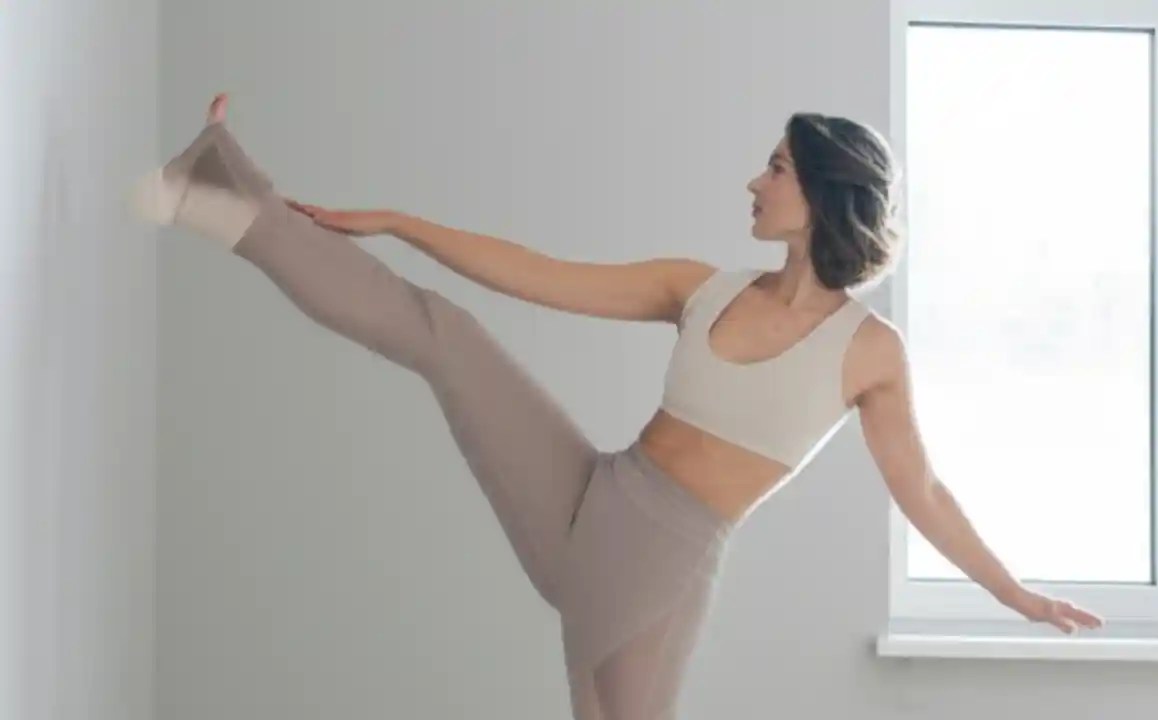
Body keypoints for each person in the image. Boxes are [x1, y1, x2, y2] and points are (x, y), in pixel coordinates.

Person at [129, 92, 1103, 719]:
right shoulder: (702, 286)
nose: (753, 181)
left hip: (660, 558)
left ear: (822, 188)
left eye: (774, 166)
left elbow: (921, 490)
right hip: (589, 494)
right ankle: (219, 193)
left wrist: (1008, 592)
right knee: (444, 335)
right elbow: (538, 276)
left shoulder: (869, 354)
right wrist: (400, 222)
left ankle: (213, 193)